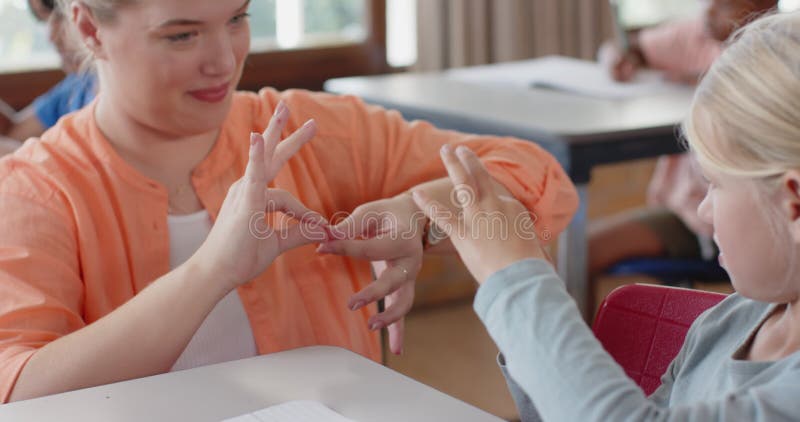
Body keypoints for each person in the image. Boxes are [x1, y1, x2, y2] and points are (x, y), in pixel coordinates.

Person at [0, 0, 578, 402]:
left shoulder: (311, 130)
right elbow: (20, 392)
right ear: (91, 29)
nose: (223, 60)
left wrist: (421, 213)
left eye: (237, 19)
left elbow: (540, 180)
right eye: (181, 34)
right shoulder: (35, 188)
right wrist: (211, 270)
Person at [414, 10, 800, 420]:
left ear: (793, 203)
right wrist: (530, 296)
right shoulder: (724, 324)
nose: (703, 208)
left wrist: (516, 283)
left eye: (715, 185)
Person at [589, 0, 778, 295]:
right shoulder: (697, 34)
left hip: (753, 224)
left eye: (725, 3)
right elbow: (628, 47)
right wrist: (617, 57)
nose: (710, 10)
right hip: (688, 217)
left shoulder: (780, 57)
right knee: (582, 249)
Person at [0, 0, 97, 156]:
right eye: (45, 21)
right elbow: (14, 131)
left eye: (61, 15)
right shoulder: (76, 86)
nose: (51, 36)